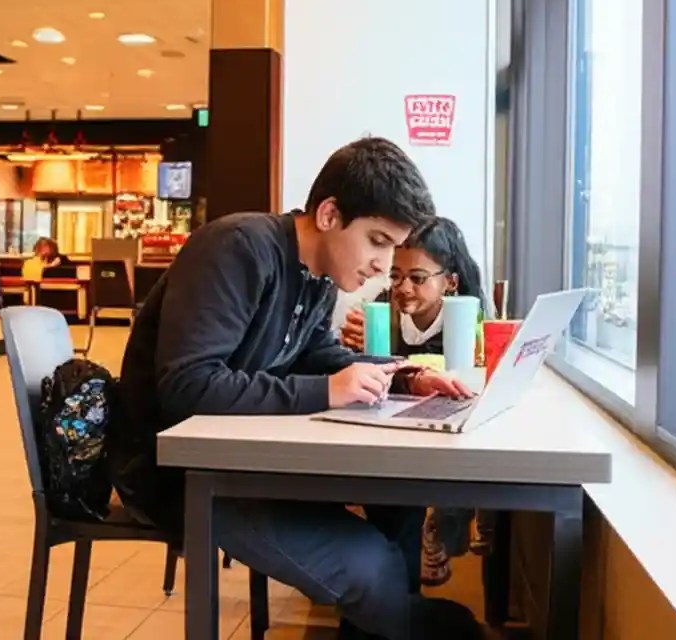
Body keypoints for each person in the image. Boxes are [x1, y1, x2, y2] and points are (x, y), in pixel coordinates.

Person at [108, 137, 483, 639]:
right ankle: (402, 619)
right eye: (377, 241)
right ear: (329, 214)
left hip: (245, 460)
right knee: (372, 566)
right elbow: (188, 386)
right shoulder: (236, 248)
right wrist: (327, 391)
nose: (382, 264)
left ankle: (394, 621)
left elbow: (318, 354)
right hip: (182, 473)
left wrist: (406, 378)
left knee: (397, 506)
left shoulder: (317, 275)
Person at [340, 218, 495, 587]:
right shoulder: (381, 313)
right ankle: (396, 579)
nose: (403, 288)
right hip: (391, 436)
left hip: (444, 436)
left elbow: (472, 377)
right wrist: (352, 348)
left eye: (418, 278)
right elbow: (359, 370)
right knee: (390, 503)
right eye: (396, 276)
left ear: (450, 282)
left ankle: (437, 531)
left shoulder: (466, 321)